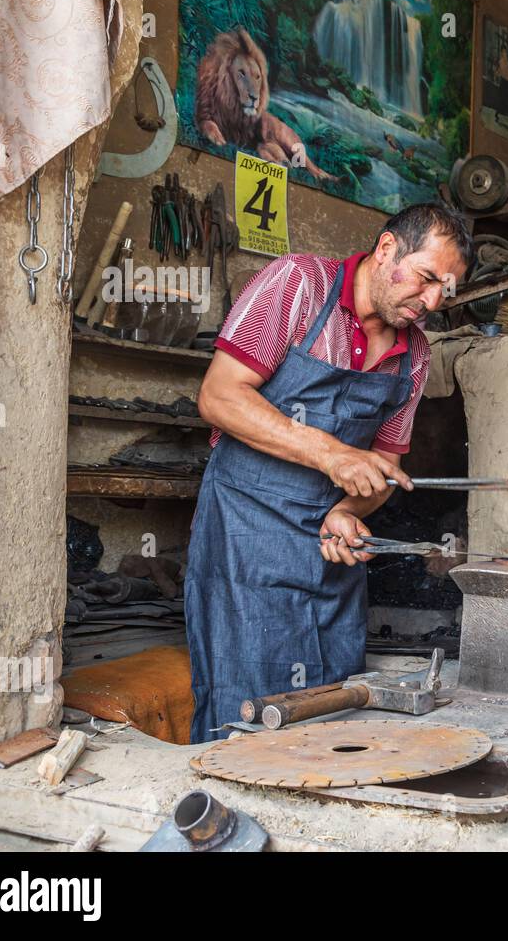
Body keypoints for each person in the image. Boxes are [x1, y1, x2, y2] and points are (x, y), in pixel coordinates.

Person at [185, 203, 473, 742]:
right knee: (245, 703)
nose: (432, 301)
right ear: (387, 249)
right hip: (247, 537)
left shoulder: (414, 356)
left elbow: (385, 469)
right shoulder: (297, 287)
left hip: (331, 556)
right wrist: (331, 454)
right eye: (427, 278)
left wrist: (346, 510)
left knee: (334, 705)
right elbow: (219, 396)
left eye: (445, 289)